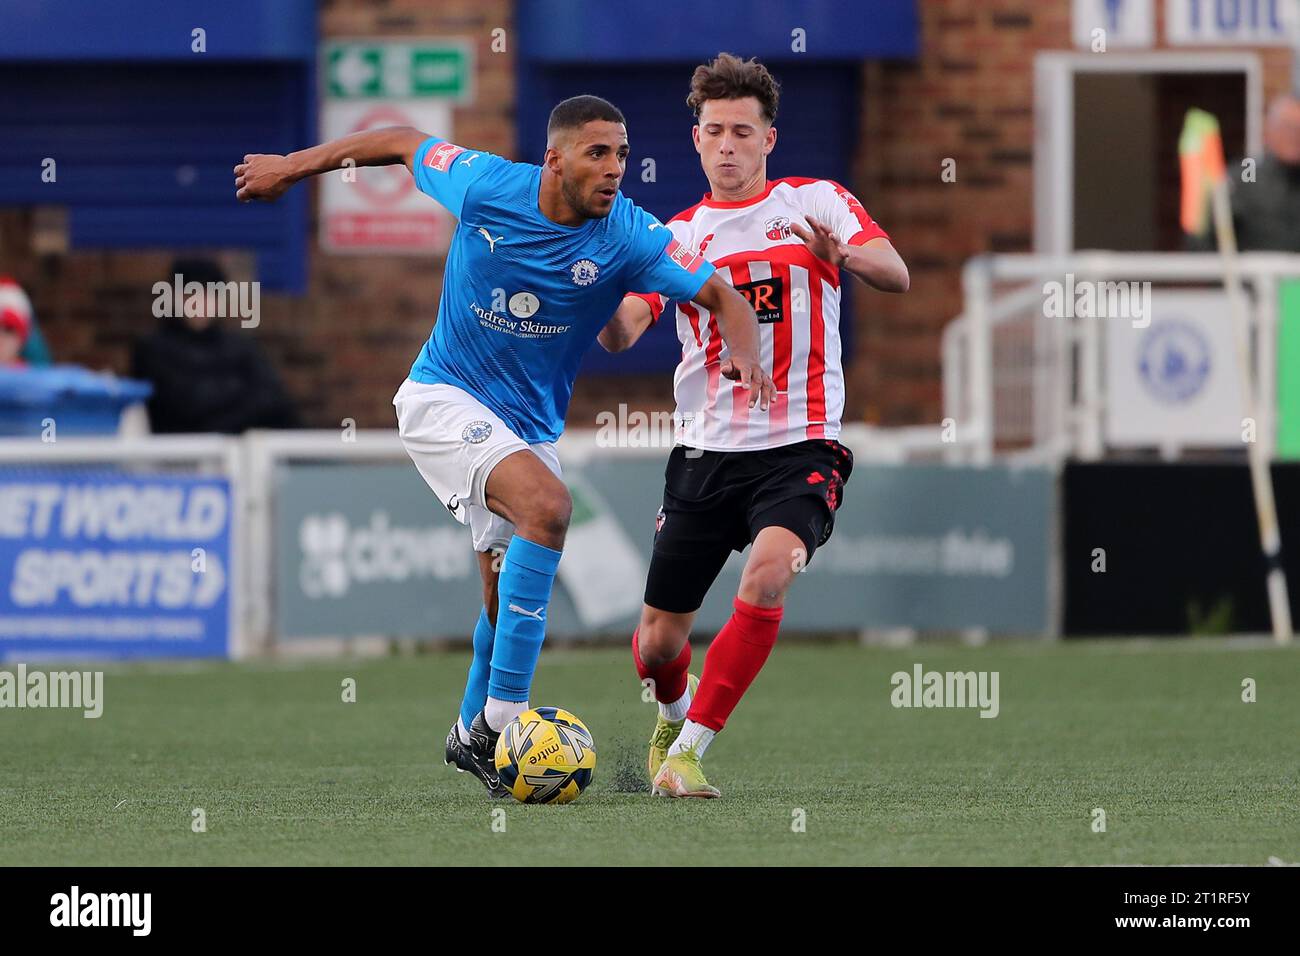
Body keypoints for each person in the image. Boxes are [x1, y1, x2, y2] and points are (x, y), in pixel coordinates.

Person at [235, 95, 774, 797]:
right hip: (442, 396)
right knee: (547, 508)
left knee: (500, 592)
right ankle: (506, 722)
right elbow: (401, 140)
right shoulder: (487, 184)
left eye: (622, 153)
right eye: (597, 153)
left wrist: (743, 356)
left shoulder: (633, 234)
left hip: (527, 428)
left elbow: (726, 299)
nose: (615, 169)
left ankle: (469, 733)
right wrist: (291, 167)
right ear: (554, 158)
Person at [601, 53, 909, 798]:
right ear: (697, 140)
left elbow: (894, 271)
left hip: (799, 446)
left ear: (769, 139)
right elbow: (622, 333)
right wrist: (581, 280)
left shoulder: (816, 201)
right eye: (715, 131)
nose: (729, 144)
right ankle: (673, 719)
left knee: (768, 577)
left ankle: (690, 753)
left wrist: (844, 260)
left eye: (744, 130)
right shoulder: (673, 237)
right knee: (655, 645)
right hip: (705, 456)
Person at [131, 258, 299, 433]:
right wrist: (239, 393)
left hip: (238, 454)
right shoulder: (153, 349)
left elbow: (273, 399)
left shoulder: (240, 346)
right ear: (174, 297)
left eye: (209, 295)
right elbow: (187, 404)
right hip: (178, 454)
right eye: (191, 294)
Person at [1191, 93, 1300, 252]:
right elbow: (1209, 235)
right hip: (1255, 273)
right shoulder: (1246, 176)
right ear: (1268, 131)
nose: (1294, 136)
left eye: (1298, 129)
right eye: (1288, 127)